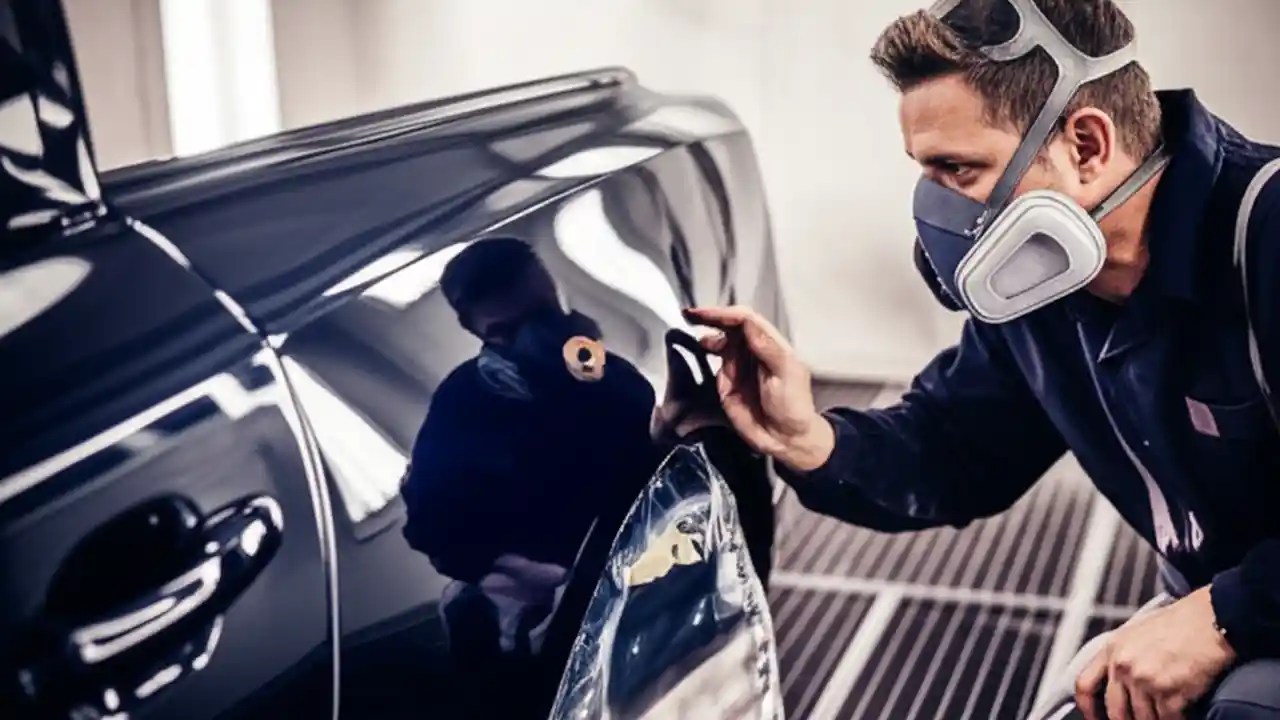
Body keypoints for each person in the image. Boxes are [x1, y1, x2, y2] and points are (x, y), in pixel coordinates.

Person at [685, 1, 1280, 719]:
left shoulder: (1266, 237)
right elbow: (955, 447)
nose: (938, 213)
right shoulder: (1044, 289)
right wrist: (808, 437)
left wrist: (1223, 616)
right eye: (925, 174)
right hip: (1203, 607)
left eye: (958, 169)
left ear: (1087, 145)